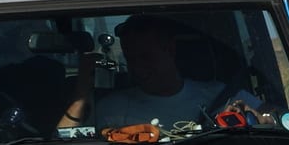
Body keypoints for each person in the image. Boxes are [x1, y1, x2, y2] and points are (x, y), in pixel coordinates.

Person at [78, 15, 228, 129]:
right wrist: (82, 86)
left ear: (170, 49)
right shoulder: (111, 109)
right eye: (130, 58)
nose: (137, 66)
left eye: (146, 57)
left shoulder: (220, 97)